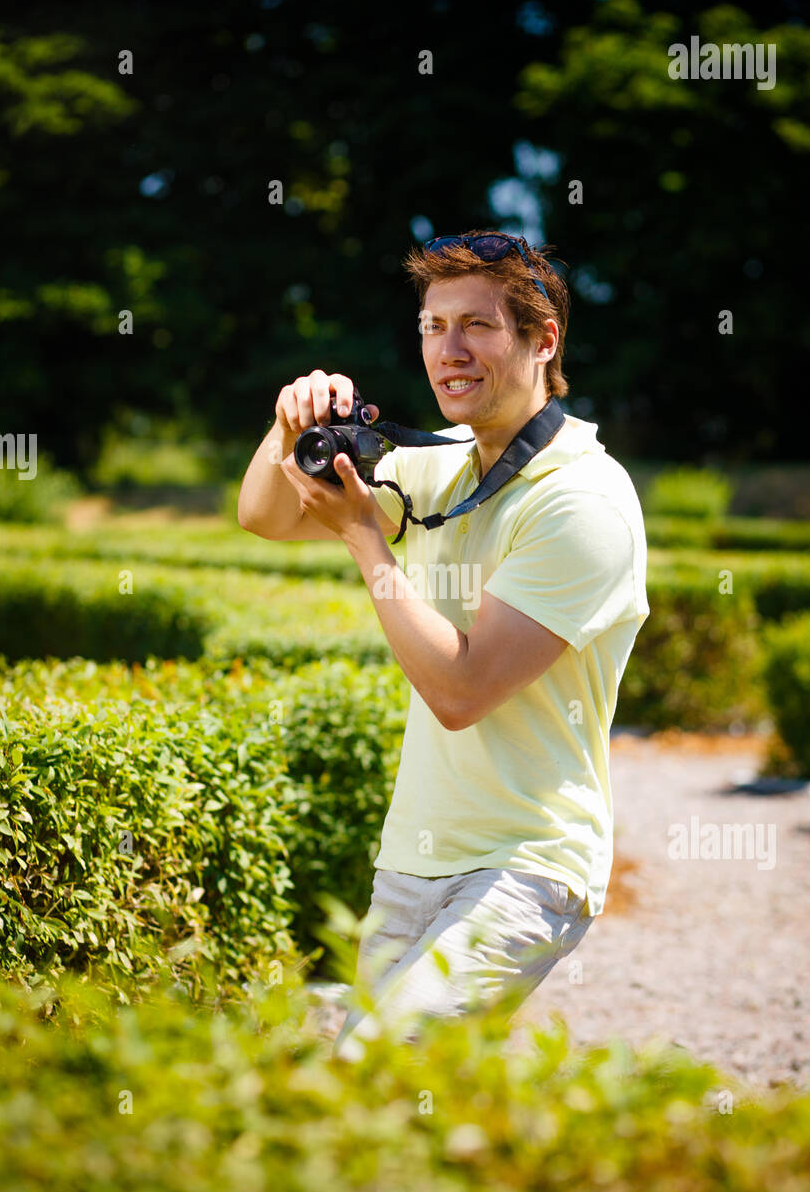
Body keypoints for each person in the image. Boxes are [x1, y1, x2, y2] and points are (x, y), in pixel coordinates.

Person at [237, 229, 649, 1061]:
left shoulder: (583, 501)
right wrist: (290, 427)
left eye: (476, 326)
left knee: (370, 1068)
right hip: (414, 851)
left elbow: (460, 695)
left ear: (543, 341)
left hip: (525, 864)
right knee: (388, 1108)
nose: (447, 351)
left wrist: (365, 541)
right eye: (432, 326)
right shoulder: (444, 464)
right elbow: (263, 516)